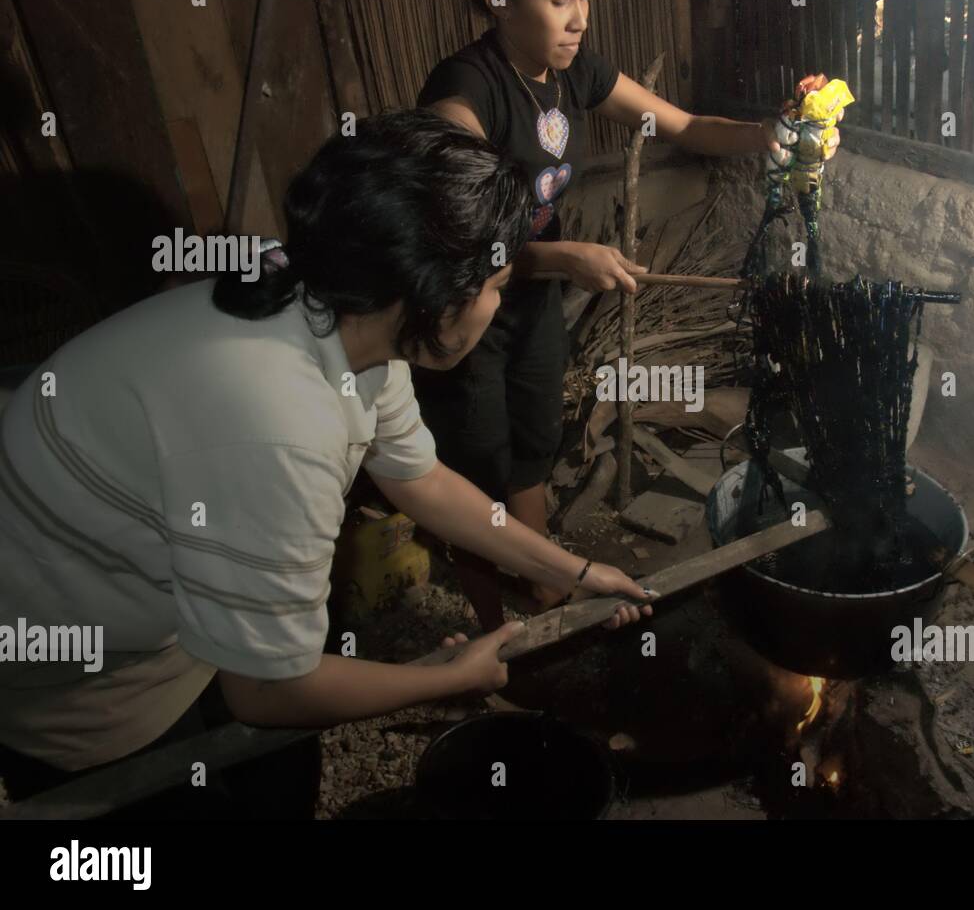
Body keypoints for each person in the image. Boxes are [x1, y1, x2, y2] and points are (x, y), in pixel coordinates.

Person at [0, 110, 651, 816]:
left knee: (278, 780)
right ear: (436, 298)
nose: (497, 302)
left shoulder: (345, 312)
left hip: (176, 619)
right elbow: (269, 689)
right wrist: (447, 676)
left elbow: (421, 480)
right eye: (494, 285)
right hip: (78, 684)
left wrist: (575, 573)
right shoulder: (280, 421)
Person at [416, 0, 843, 628]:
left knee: (532, 442)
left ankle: (544, 588)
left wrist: (768, 135)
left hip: (530, 301)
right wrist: (565, 257)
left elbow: (683, 126)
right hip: (467, 311)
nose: (581, 19)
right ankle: (493, 637)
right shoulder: (463, 97)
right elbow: (454, 243)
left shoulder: (570, 72)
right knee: (474, 465)